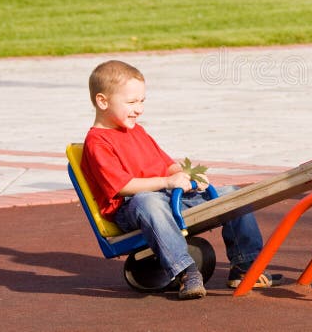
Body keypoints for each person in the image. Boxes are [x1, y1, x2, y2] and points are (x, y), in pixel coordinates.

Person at [80, 59, 281, 299]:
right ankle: (186, 271)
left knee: (232, 194)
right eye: (132, 102)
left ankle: (245, 266)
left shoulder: (137, 131)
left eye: (142, 101)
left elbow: (168, 165)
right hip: (132, 207)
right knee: (148, 201)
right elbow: (124, 187)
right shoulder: (97, 142)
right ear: (102, 101)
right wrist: (167, 182)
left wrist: (186, 176)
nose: (139, 109)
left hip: (166, 196)